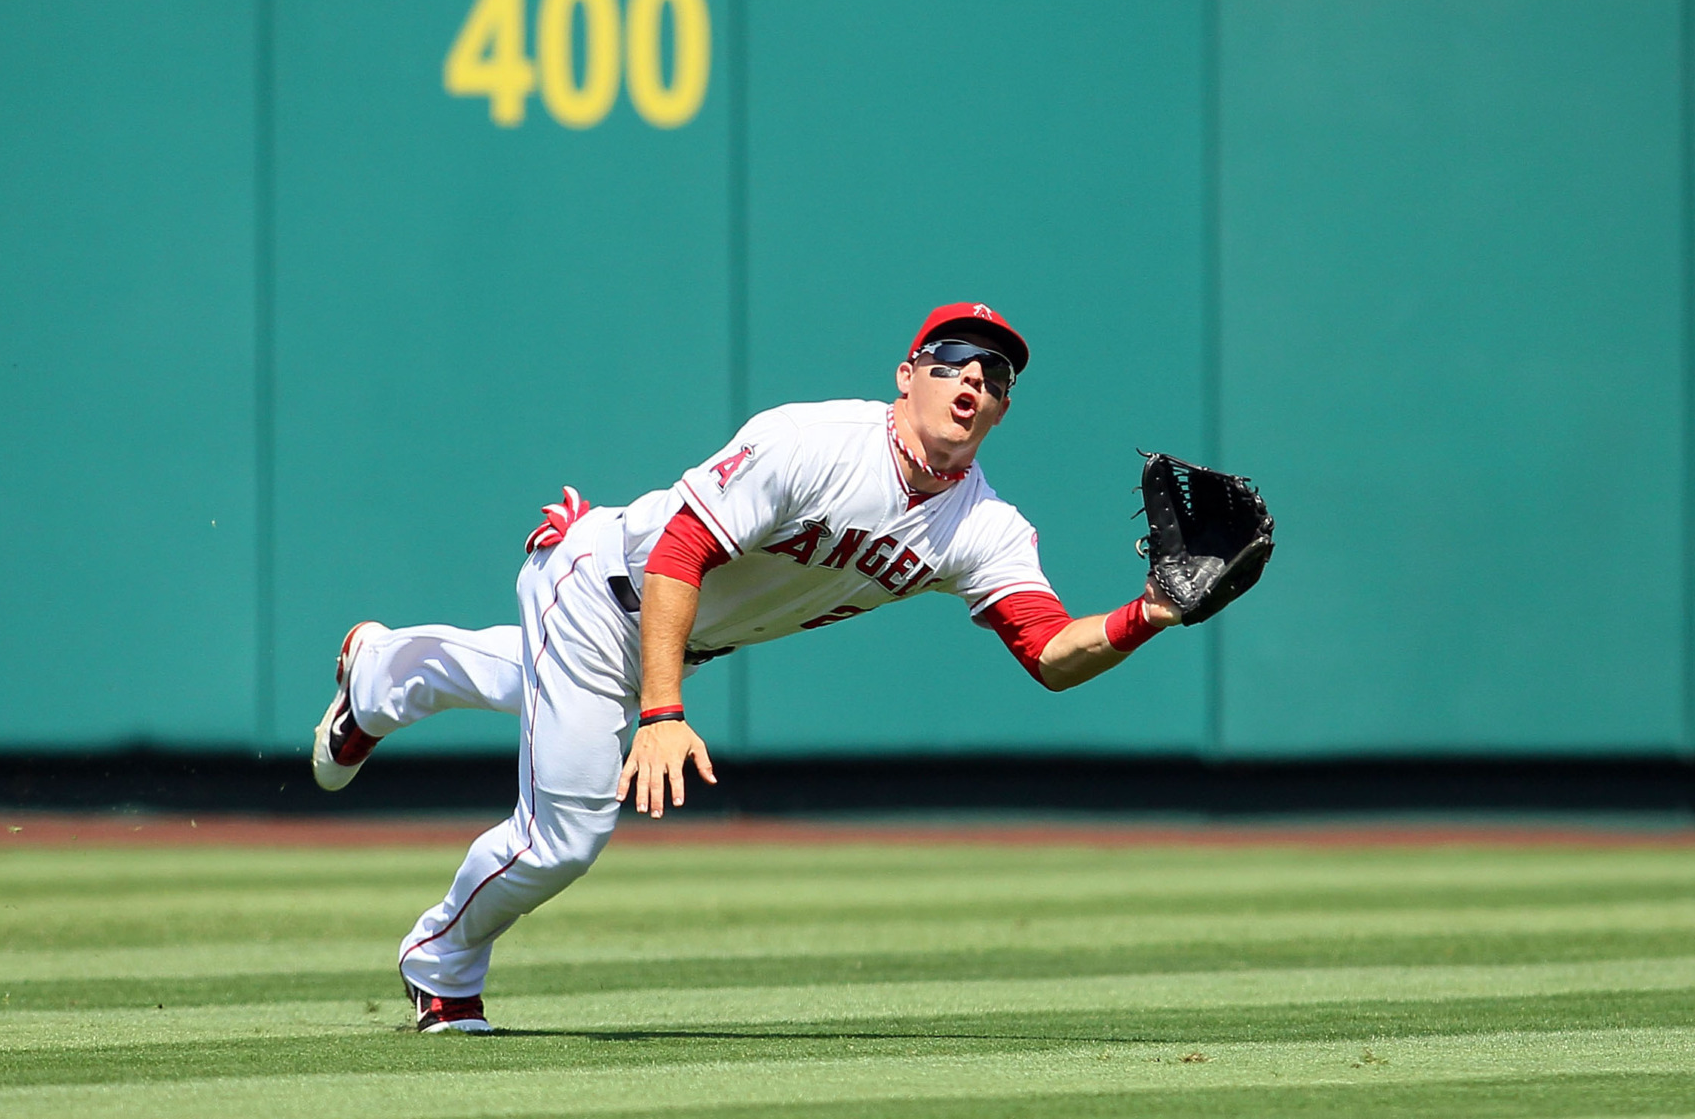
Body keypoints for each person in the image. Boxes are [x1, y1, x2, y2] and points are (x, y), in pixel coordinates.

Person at [310, 302, 1183, 1034]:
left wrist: (1153, 611)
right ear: (907, 372)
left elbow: (1051, 653)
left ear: (1000, 411)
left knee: (533, 683)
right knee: (564, 835)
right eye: (956, 360)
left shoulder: (984, 526)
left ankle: (382, 671)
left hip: (667, 627)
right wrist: (661, 713)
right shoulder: (812, 441)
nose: (975, 382)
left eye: (996, 378)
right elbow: (682, 550)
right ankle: (440, 960)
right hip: (608, 586)